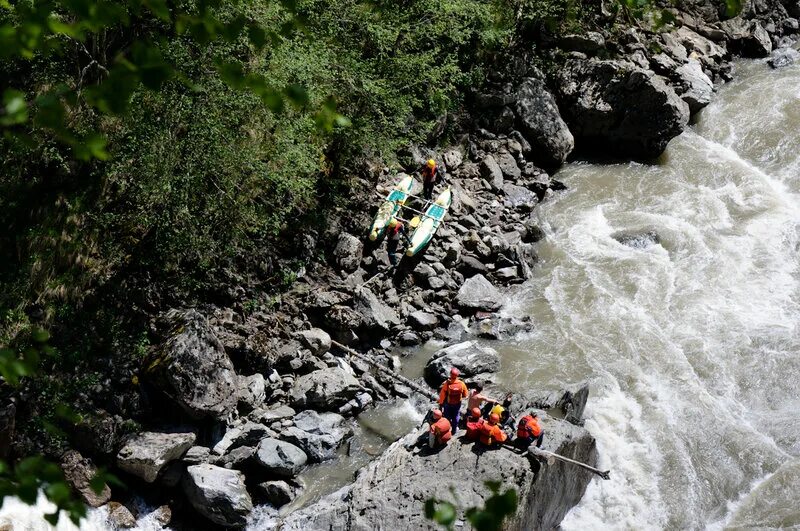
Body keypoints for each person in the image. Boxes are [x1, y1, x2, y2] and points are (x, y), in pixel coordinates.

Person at [438, 367, 468, 435]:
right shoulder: (461, 383)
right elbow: (465, 395)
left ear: (450, 375)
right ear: (457, 375)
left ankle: (447, 429)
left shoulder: (447, 383)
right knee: (456, 416)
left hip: (448, 403)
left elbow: (442, 394)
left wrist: (440, 403)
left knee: (446, 415)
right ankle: (454, 430)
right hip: (457, 403)